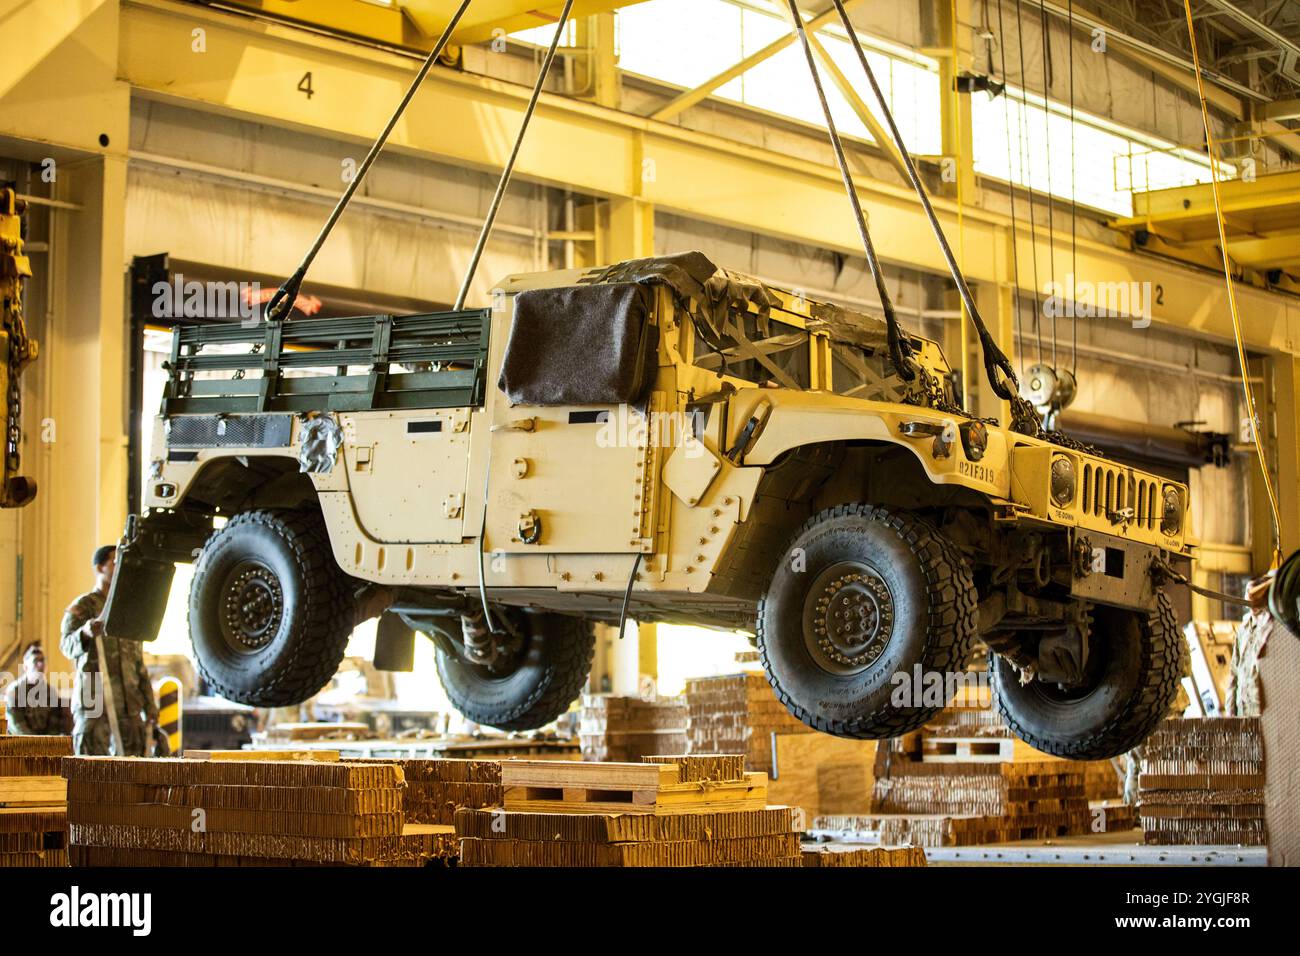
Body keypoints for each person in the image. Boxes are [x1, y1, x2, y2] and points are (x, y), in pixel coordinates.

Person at [58, 544, 159, 756]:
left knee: (132, 772)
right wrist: (85, 633)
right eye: (115, 561)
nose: (120, 566)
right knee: (91, 769)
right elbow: (66, 646)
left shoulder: (127, 608)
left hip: (129, 706)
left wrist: (149, 705)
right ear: (99, 568)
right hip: (95, 704)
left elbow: (138, 662)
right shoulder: (83, 606)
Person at [3, 643, 71, 735]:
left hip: (45, 745)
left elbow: (54, 726)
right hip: (20, 744)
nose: (40, 664)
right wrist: (36, 743)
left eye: (42, 660)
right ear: (25, 667)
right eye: (35, 661)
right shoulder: (14, 691)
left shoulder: (51, 692)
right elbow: (16, 725)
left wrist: (48, 744)